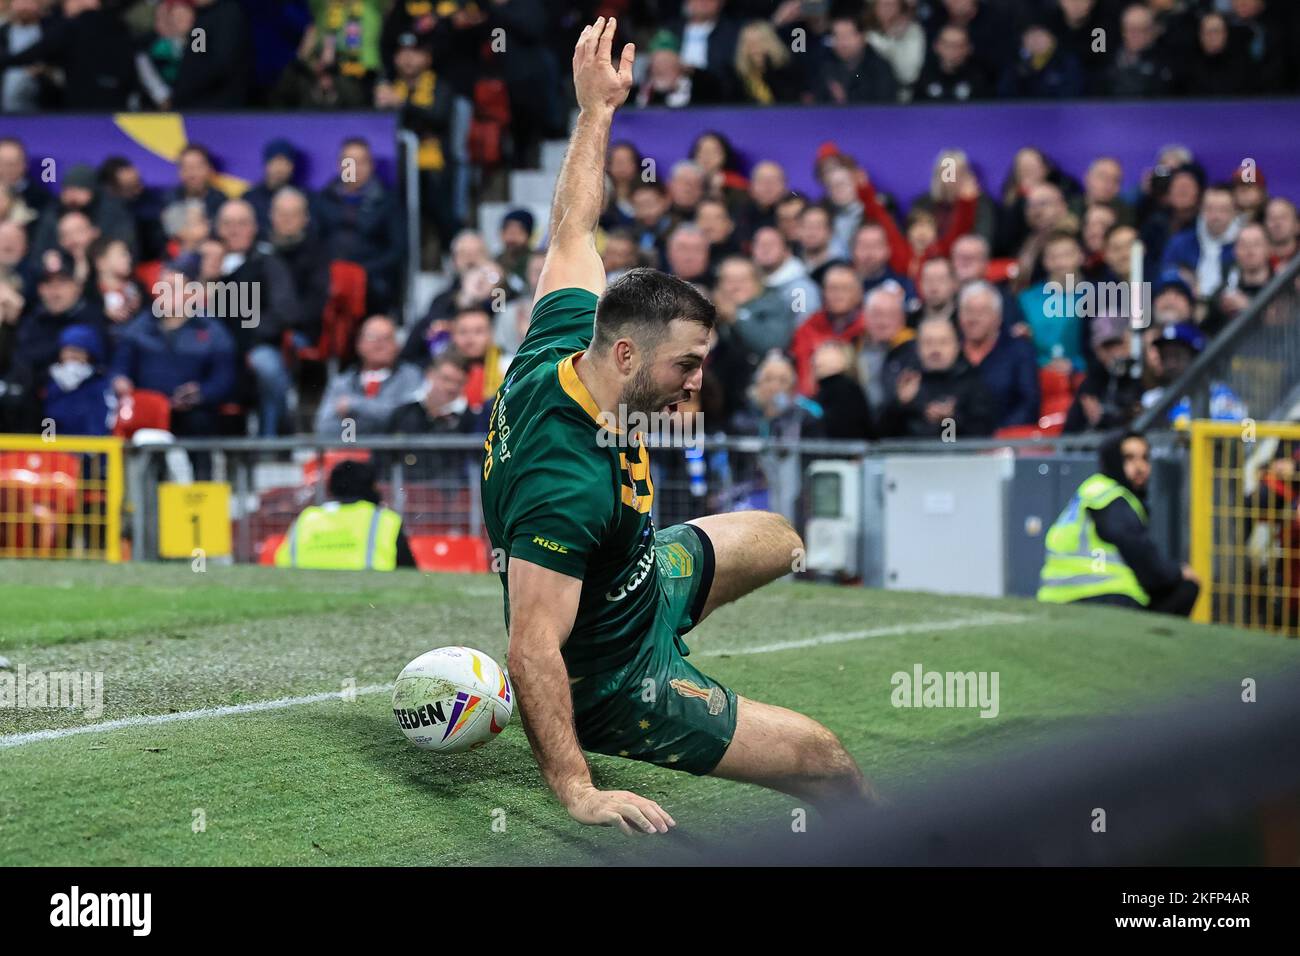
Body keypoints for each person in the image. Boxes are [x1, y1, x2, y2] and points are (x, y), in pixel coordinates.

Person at [480, 18, 873, 836]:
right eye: (685, 368)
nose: (697, 387)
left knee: (776, 536)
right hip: (617, 679)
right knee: (826, 759)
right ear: (626, 354)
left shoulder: (566, 337)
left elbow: (572, 231)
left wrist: (595, 112)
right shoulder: (563, 481)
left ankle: (673, 627)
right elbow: (530, 651)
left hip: (641, 576)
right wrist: (580, 792)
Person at [1038, 430, 1200, 616]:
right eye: (1129, 458)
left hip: (1055, 598)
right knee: (1187, 586)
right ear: (1113, 460)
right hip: (1104, 597)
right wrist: (1176, 573)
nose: (1140, 467)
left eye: (1145, 458)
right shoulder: (1109, 494)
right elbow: (1138, 550)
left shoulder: (1092, 491)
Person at [274, 459, 416, 570]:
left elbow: (282, 563)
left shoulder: (307, 517)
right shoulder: (385, 520)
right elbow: (408, 572)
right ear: (371, 487)